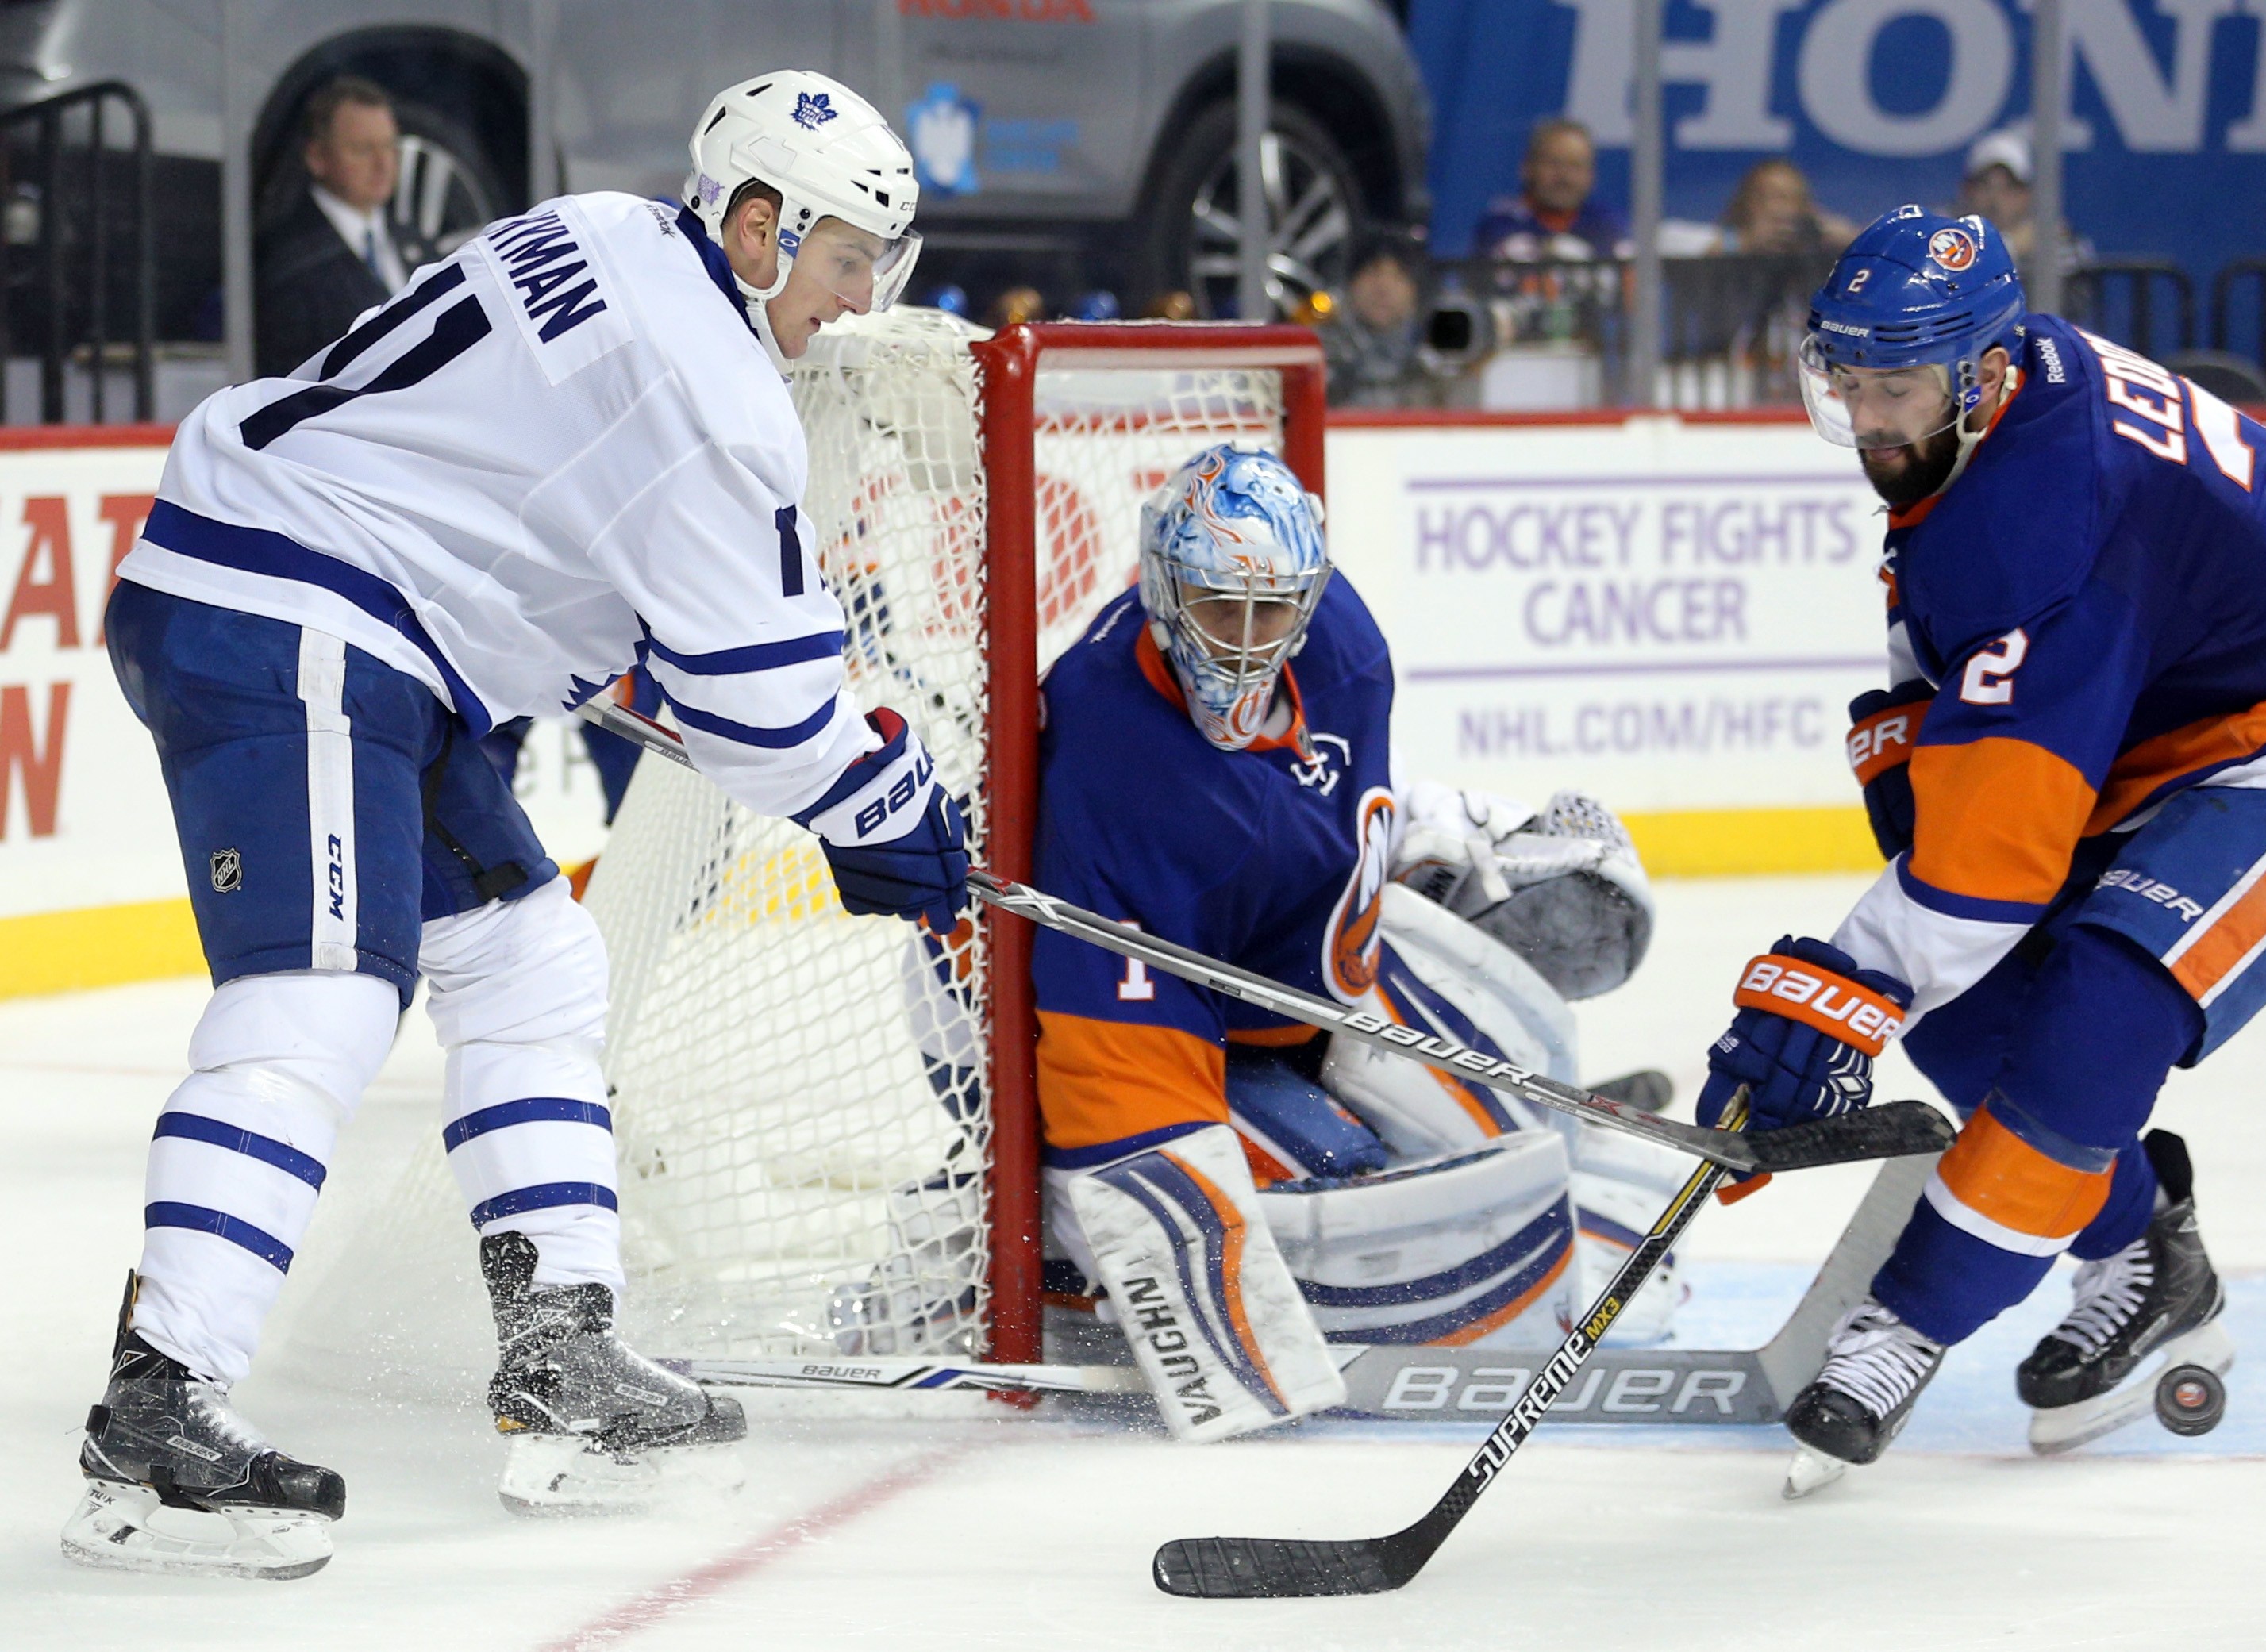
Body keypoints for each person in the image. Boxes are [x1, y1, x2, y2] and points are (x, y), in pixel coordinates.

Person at [65, 70, 968, 1579]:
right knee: (318, 1000)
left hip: (346, 613)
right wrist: (883, 810)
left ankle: (563, 1352)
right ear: (757, 225)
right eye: (843, 256)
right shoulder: (713, 390)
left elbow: (536, 494)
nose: (859, 296)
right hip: (302, 613)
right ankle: (155, 1415)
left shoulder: (609, 227)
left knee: (530, 962)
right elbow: (757, 710)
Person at [1691, 206, 2266, 1487]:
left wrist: (1835, 989)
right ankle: (2145, 1250)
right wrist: (1906, 779)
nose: (1870, 415)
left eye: (1897, 385)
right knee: (1964, 1016)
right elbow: (1946, 616)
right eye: (1850, 379)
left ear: (1981, 374)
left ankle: (1902, 1326)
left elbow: (1985, 870)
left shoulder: (2045, 501)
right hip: (2167, 719)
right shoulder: (1986, 405)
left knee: (2095, 1013)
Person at [1030, 444, 1683, 1441]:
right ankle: (1051, 1266)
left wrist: (1445, 840)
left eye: (1273, 612)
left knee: (1523, 1153)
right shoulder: (1115, 769)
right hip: (1149, 1032)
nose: (1248, 647)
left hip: (1289, 983)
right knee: (1382, 1218)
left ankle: (1540, 1173)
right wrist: (1232, 1366)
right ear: (1165, 593)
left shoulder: (1338, 638)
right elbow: (1126, 1091)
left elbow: (1330, 802)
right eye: (1219, 610)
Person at [253, 77, 422, 377]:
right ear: (317, 157)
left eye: (389, 147)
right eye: (362, 150)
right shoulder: (289, 261)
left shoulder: (413, 241)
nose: (383, 163)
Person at [1473, 117, 1630, 261]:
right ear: (1527, 168)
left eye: (1575, 165)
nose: (1564, 176)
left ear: (1592, 175)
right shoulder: (1502, 224)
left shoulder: (1607, 223)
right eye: (1553, 163)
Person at [1320, 231, 1446, 409]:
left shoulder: (1438, 362)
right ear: (1350, 284)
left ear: (1415, 293)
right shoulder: (1320, 355)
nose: (1383, 288)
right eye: (1373, 272)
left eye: (1398, 276)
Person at [1952, 129, 2087, 276]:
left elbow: (2074, 286)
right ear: (1967, 190)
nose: (1995, 200)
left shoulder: (2054, 240)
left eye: (2009, 188)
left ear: (2026, 195)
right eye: (1985, 186)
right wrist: (2013, 245)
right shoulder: (1944, 235)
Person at [1711, 157, 1856, 257]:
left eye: (1796, 197)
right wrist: (1750, 243)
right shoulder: (1729, 241)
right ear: (1752, 203)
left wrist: (1850, 242)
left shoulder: (1815, 242)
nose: (1787, 207)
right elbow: (1702, 264)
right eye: (1779, 196)